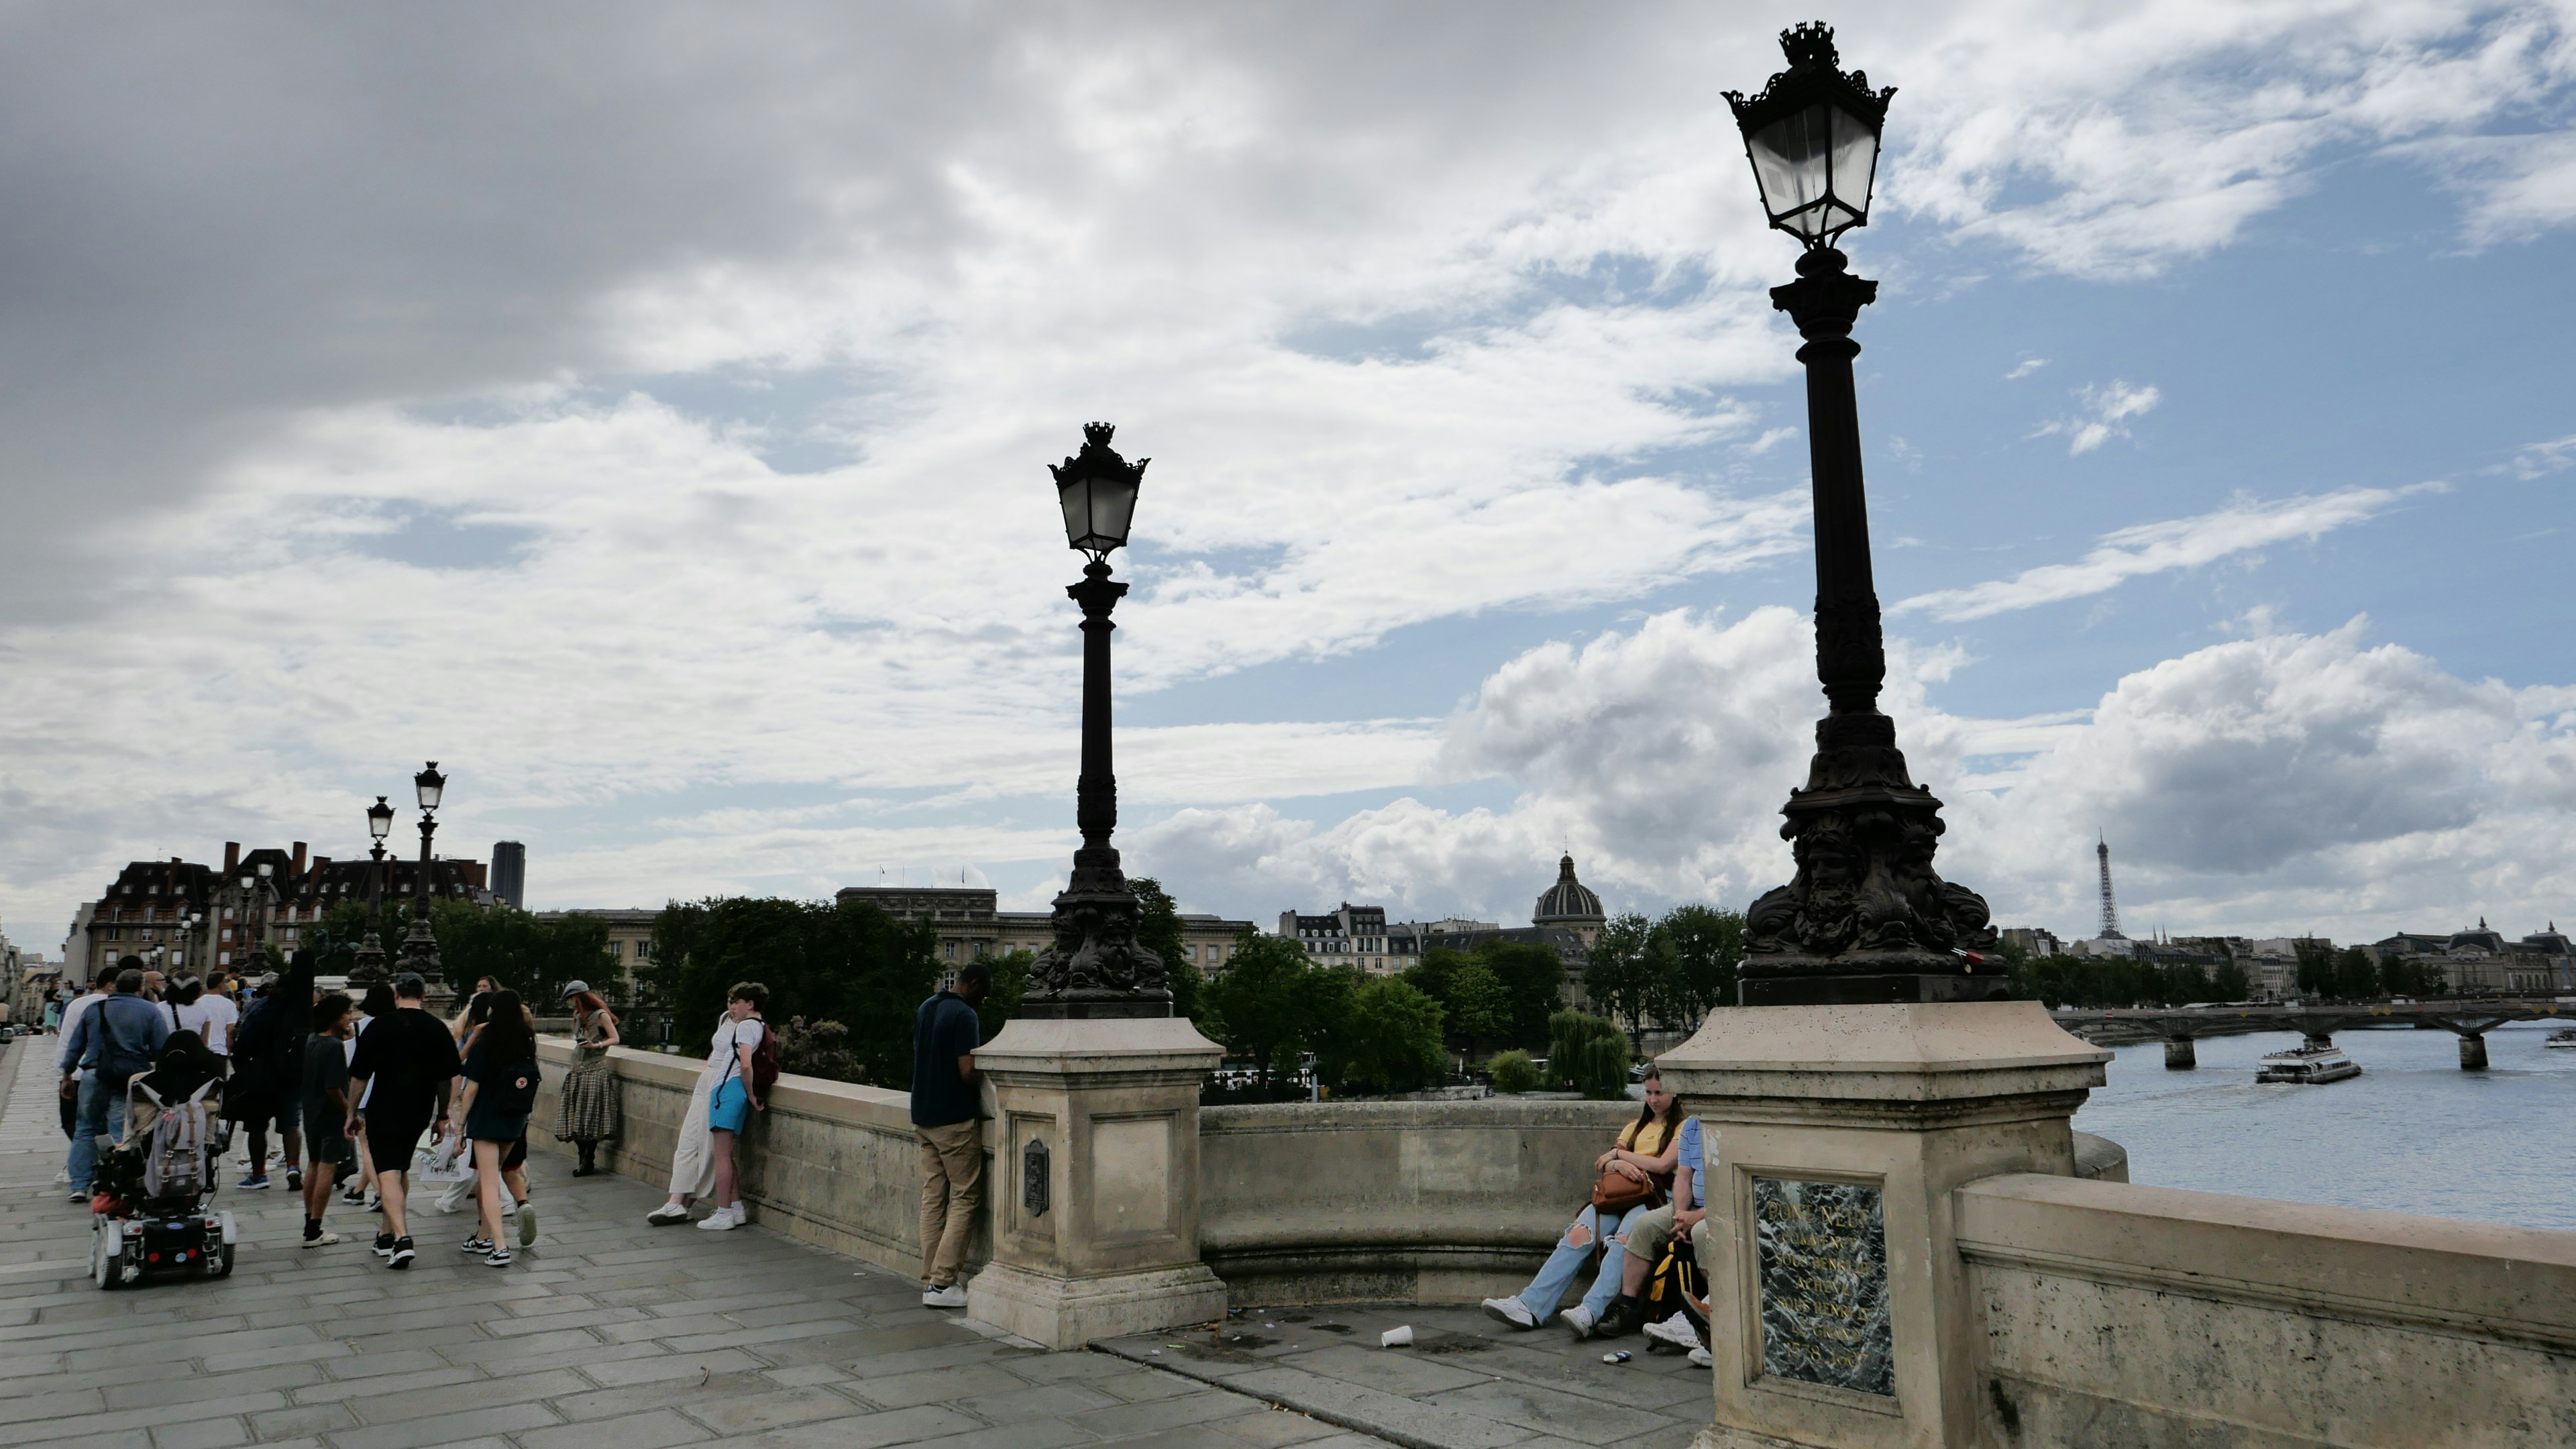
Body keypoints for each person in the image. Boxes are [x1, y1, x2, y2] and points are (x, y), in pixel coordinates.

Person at [1481, 1065, 1682, 1338]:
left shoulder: (1683, 1126)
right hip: (1621, 1193)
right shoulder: (1634, 1127)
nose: (1653, 1099)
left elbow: (1662, 1165)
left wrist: (1620, 1157)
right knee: (1579, 1234)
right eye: (1648, 1092)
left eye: (1660, 1093)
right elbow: (1604, 1164)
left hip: (1658, 1197)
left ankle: (1590, 1310)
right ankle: (1530, 1305)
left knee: (1625, 1240)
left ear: (1675, 1093)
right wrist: (1618, 1164)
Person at [345, 972, 461, 1270]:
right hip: (419, 1109)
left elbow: (360, 1076)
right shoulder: (437, 1028)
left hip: (385, 1106)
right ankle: (385, 1234)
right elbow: (445, 1077)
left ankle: (402, 1238)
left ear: (397, 995)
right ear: (424, 996)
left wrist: (351, 1113)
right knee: (400, 1168)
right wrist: (442, 1116)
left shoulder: (380, 1027)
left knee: (387, 1172)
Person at [910, 962, 989, 1307]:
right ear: (972, 985)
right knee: (965, 1196)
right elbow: (966, 1070)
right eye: (985, 991)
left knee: (933, 1198)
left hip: (923, 1114)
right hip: (954, 1119)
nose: (986, 998)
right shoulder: (965, 1016)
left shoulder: (928, 1006)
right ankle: (943, 1285)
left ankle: (930, 1279)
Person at [60, 965, 172, 1203]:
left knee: (85, 1129)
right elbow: (161, 1049)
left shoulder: (94, 1008)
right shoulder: (150, 1011)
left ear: (116, 986)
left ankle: (79, 1185)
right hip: (128, 1078)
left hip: (93, 1074)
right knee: (119, 1130)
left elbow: (75, 1046)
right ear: (141, 988)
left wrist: (67, 1074)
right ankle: (113, 1182)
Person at [1612, 1112, 1715, 1358]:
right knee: (1645, 1225)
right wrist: (1680, 1214)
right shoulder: (1692, 1125)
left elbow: (1735, 1189)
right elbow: (1683, 1176)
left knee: (1701, 1232)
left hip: (1719, 1208)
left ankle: (1711, 1320)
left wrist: (1696, 1217)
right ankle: (1629, 1307)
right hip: (1689, 1206)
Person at [451, 990, 541, 1265]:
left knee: (489, 1182)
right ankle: (482, 1236)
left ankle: (499, 1246)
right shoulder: (526, 1040)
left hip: (487, 1117)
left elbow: (471, 1089)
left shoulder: (486, 1042)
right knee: (494, 1177)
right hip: (514, 1118)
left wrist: (460, 1127)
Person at [228, 952, 317, 1191]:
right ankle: (293, 1166)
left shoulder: (264, 1007)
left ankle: (258, 1174)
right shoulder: (304, 1011)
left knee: (257, 1125)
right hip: (294, 1073)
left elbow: (244, 1041)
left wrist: (242, 1069)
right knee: (290, 1123)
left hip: (263, 1073)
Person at [692, 983, 767, 1232]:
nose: (732, 1008)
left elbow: (745, 1065)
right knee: (727, 1153)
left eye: (737, 1002)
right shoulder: (761, 1026)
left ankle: (723, 1212)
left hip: (727, 1089)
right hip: (735, 1091)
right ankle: (736, 1208)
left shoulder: (745, 1026)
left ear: (750, 1004)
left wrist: (749, 1093)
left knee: (721, 1155)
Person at [300, 994, 359, 1248]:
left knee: (313, 1165)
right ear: (335, 1016)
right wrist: (350, 1113)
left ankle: (308, 1222)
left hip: (311, 1112)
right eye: (347, 1013)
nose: (351, 1017)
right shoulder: (334, 1047)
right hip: (330, 1114)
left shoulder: (313, 1040)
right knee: (328, 1167)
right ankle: (316, 1228)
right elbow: (334, 1087)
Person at [54, 965, 117, 1191]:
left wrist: (64, 1074)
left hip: (81, 1073)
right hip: (113, 1074)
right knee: (109, 1124)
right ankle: (104, 1166)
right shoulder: (123, 1006)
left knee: (77, 1124)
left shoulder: (77, 1005)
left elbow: (67, 1041)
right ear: (110, 985)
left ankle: (81, 1174)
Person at [555, 981, 621, 1177]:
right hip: (577, 1070)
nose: (568, 1003)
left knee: (590, 1117)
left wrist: (595, 1046)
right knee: (576, 1117)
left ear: (577, 998)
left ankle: (588, 1159)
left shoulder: (600, 1015)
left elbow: (615, 1038)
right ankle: (581, 1156)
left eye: (570, 999)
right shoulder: (577, 1017)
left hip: (595, 1070)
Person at [343, 981, 398, 1208]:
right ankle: (359, 1189)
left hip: (365, 1095)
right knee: (379, 1148)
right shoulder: (397, 1025)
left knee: (367, 1147)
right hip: (391, 1092)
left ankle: (380, 1194)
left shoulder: (356, 1029)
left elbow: (351, 1066)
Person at [175, 975, 238, 1061]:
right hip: (219, 1050)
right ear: (221, 984)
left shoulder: (197, 1002)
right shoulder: (228, 1004)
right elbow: (230, 1031)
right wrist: (229, 1050)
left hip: (198, 1049)